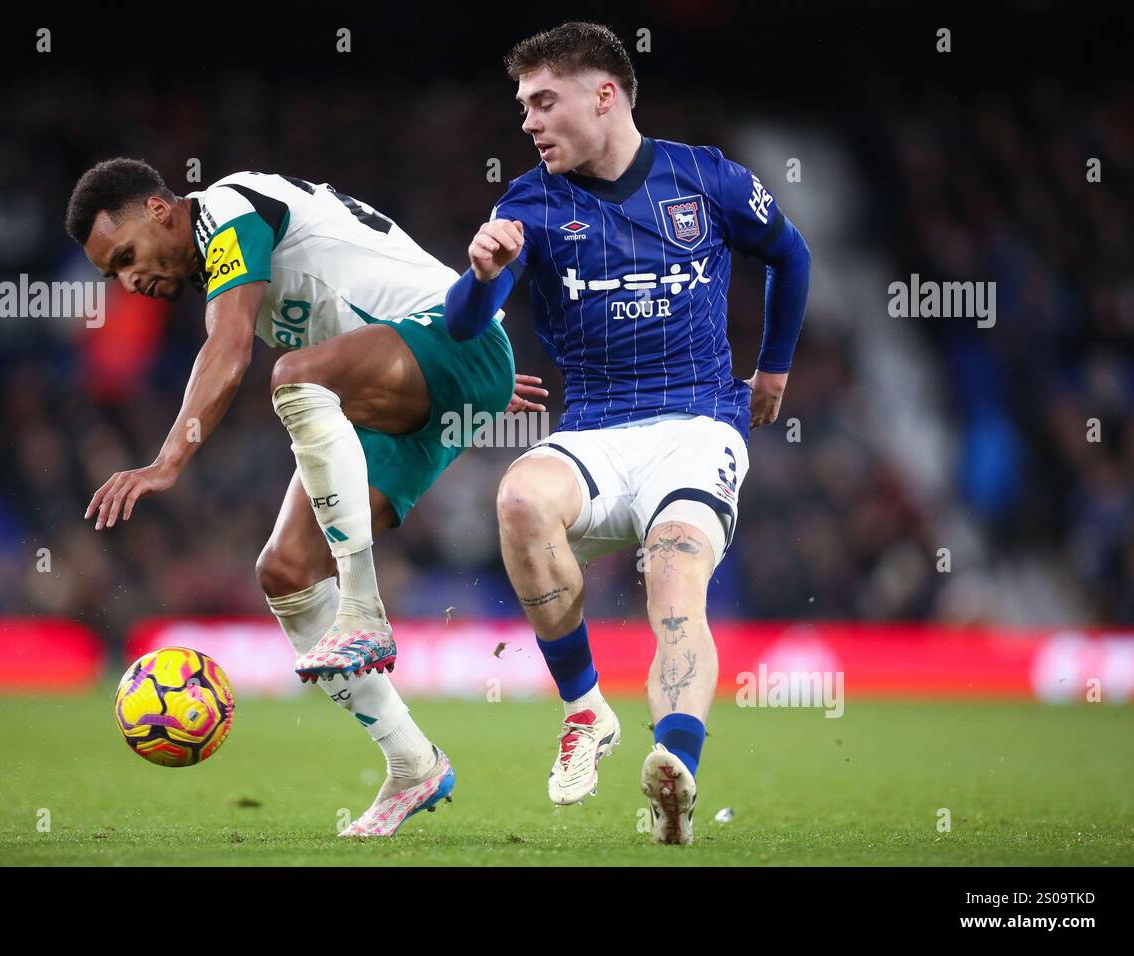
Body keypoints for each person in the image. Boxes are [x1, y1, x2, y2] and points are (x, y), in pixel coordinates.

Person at [65, 160, 545, 836]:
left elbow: (230, 348)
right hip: (414, 380)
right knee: (285, 572)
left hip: (445, 341)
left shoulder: (228, 210)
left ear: (160, 209)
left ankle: (361, 610)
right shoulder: (221, 264)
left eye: (125, 256)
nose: (129, 280)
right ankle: (412, 763)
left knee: (292, 375)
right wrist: (451, 388)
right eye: (111, 274)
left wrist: (167, 461)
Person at [443, 22, 811, 844]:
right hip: (598, 429)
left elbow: (792, 255)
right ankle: (585, 711)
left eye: (543, 102)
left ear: (602, 95)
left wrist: (775, 369)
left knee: (673, 569)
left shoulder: (703, 177)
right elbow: (464, 329)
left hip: (695, 423)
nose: (529, 124)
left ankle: (674, 769)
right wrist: (479, 276)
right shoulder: (529, 203)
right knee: (519, 501)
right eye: (523, 107)